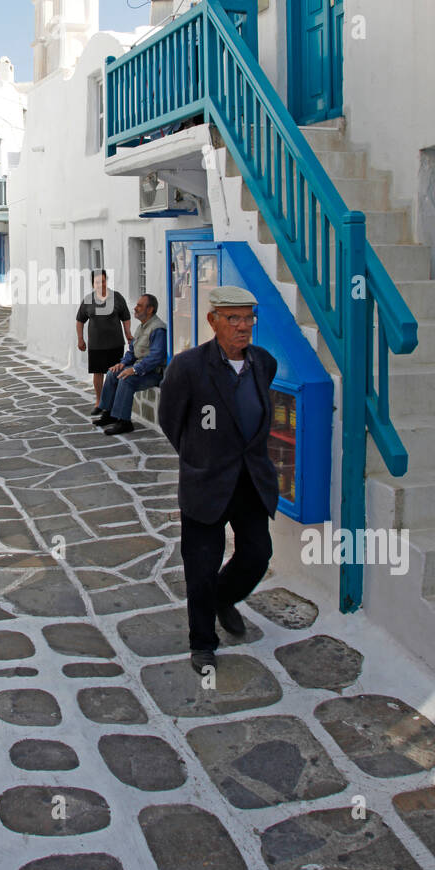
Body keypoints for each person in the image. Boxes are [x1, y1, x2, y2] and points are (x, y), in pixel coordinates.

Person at [157, 285, 279, 675]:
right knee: (201, 566)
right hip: (206, 482)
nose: (243, 327)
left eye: (248, 318)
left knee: (257, 555)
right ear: (213, 321)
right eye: (233, 319)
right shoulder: (188, 366)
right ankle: (203, 643)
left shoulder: (264, 363)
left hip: (250, 482)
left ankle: (222, 599)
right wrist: (199, 458)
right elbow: (170, 421)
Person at [93, 293, 167, 435]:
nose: (135, 308)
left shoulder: (158, 329)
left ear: (150, 309)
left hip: (152, 373)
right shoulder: (141, 327)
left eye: (139, 306)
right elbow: (132, 351)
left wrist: (134, 369)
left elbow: (156, 357)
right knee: (112, 373)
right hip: (139, 368)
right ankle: (109, 414)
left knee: (126, 379)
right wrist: (123, 364)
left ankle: (124, 421)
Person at [75, 270, 132, 414]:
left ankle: (113, 402)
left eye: (103, 281)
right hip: (96, 345)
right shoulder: (88, 300)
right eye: (97, 282)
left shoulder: (117, 297)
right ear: (93, 283)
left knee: (116, 372)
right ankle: (99, 402)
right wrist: (80, 339)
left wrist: (128, 333)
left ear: (107, 280)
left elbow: (125, 316)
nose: (101, 284)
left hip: (115, 344)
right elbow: (80, 320)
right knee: (98, 373)